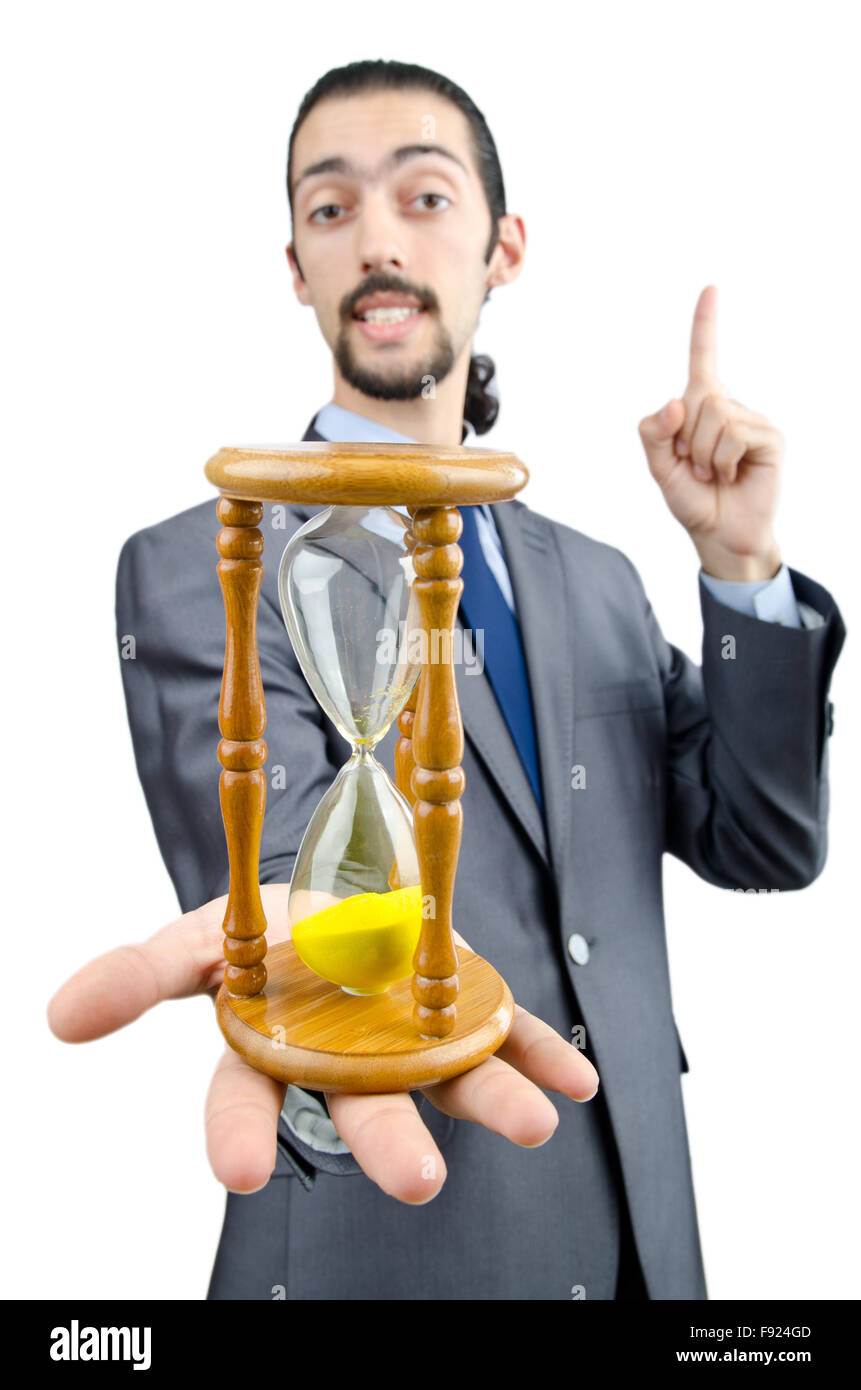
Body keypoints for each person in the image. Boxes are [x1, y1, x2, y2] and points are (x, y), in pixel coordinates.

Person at [48, 59, 845, 1301]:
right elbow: (289, 884)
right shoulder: (208, 561)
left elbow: (766, 840)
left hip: (648, 1239)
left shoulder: (598, 580)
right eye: (330, 209)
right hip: (401, 1244)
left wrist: (740, 566)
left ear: (504, 246)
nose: (376, 238)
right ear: (296, 267)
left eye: (423, 196)